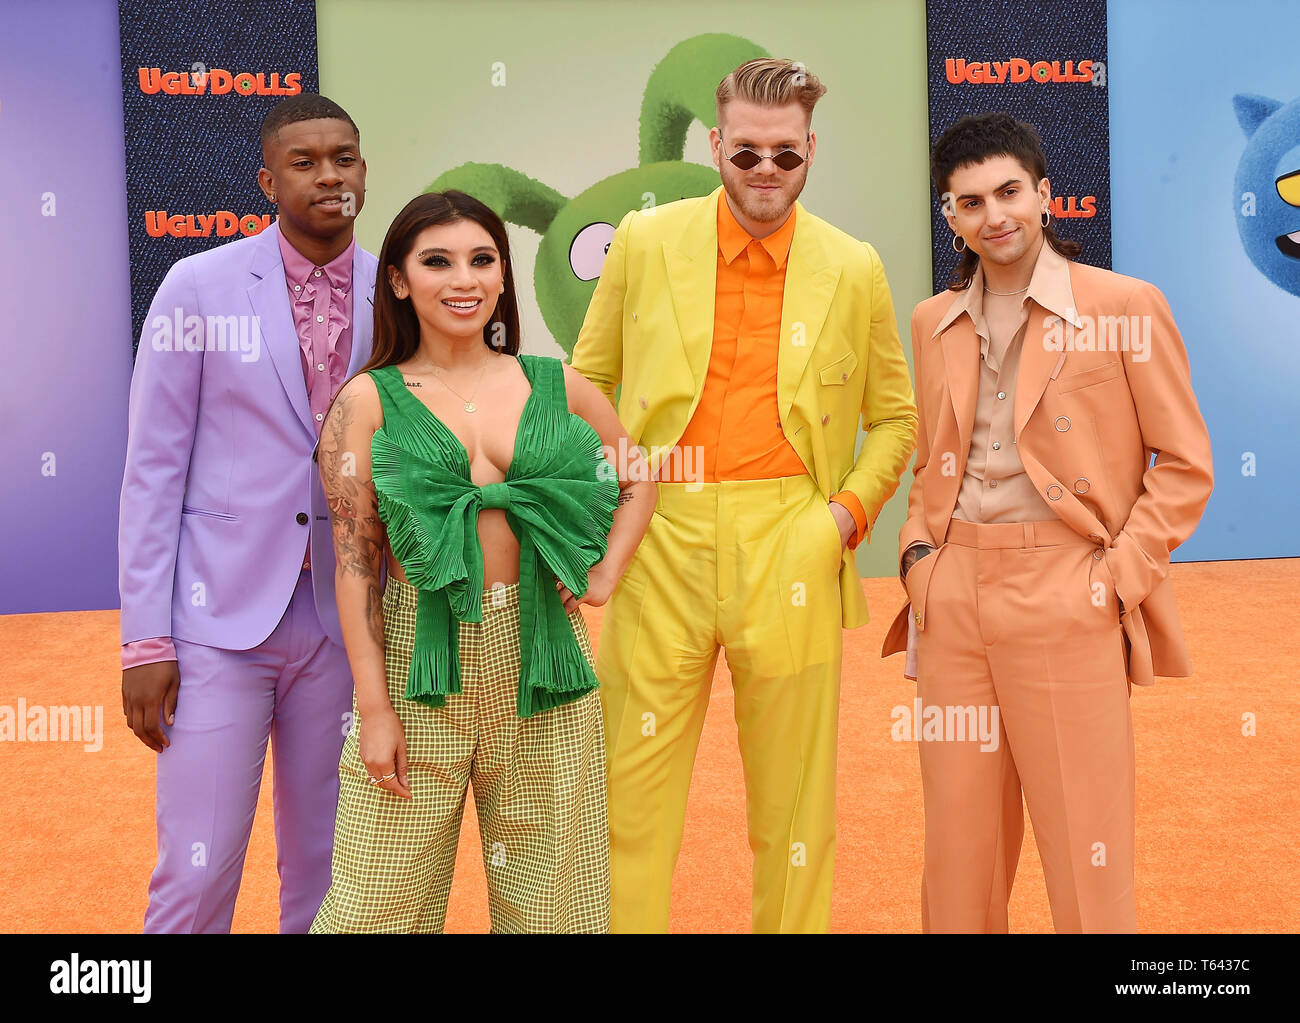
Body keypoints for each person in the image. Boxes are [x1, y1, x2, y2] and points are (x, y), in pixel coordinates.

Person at [570, 58, 917, 933]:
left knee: (796, 813)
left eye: (786, 156)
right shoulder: (644, 244)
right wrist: (610, 506)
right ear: (718, 144)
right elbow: (587, 382)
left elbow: (897, 419)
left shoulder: (853, 264)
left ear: (811, 152)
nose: (766, 172)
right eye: (748, 153)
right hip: (660, 534)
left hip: (791, 536)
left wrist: (839, 518)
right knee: (627, 801)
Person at [882, 112, 1214, 932]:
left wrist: (1113, 582)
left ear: (1045, 195)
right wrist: (922, 559)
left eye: (1008, 192)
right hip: (954, 596)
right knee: (957, 860)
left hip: (1069, 593)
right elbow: (933, 457)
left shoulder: (1126, 305)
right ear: (949, 215)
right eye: (969, 202)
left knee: (1085, 854)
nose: (993, 215)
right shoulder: (932, 321)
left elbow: (1185, 462)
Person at [309, 190, 655, 934]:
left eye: (481, 260)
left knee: (554, 907)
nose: (462, 278)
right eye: (437, 261)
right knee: (373, 904)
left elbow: (638, 476)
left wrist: (603, 575)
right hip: (416, 662)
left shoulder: (554, 382)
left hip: (545, 659)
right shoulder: (364, 402)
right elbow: (354, 563)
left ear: (502, 277)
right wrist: (373, 708)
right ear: (399, 280)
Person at [118, 94, 376, 932]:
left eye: (344, 157)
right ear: (268, 180)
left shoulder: (401, 286)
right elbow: (152, 471)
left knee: (330, 873)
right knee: (197, 869)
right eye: (305, 162)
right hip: (217, 622)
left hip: (349, 622)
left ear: (363, 171)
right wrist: (146, 639)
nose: (329, 175)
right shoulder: (197, 286)